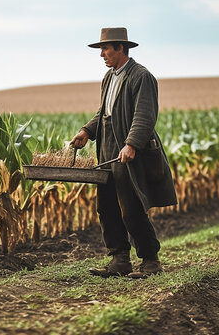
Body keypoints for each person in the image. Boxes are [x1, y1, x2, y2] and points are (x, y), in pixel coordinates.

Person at [70, 27, 177, 278]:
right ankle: (119, 260)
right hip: (107, 148)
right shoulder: (109, 77)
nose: (102, 54)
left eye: (105, 49)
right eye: (101, 49)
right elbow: (105, 112)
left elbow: (145, 116)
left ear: (120, 48)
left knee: (131, 208)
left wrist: (131, 144)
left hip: (129, 151)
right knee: (106, 206)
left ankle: (151, 261)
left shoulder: (141, 76)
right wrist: (87, 131)